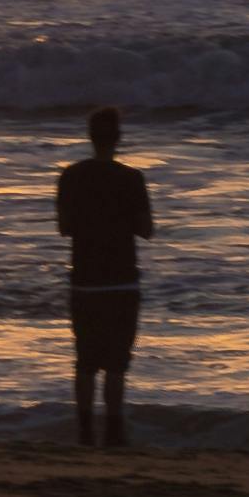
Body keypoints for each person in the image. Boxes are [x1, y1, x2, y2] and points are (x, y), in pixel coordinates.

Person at [56, 104, 153, 447]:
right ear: (118, 138)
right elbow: (146, 229)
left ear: (90, 137)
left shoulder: (71, 176)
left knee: (85, 361)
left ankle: (85, 432)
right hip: (122, 281)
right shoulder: (131, 178)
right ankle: (114, 431)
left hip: (85, 281)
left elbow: (64, 228)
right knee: (116, 363)